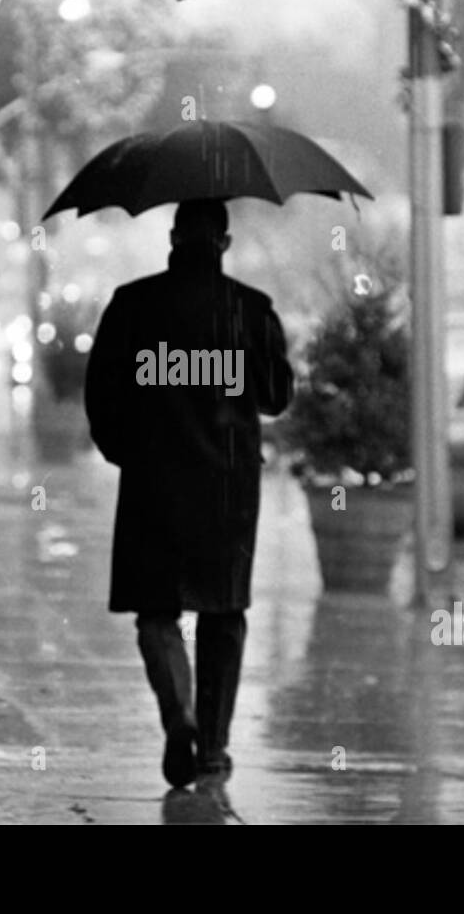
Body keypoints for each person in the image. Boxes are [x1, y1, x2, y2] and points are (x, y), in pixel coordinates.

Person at [84, 199, 294, 788]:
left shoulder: (133, 306)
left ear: (173, 237)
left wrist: (125, 450)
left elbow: (100, 394)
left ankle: (178, 716)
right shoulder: (250, 310)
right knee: (223, 615)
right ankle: (213, 747)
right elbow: (277, 397)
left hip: (153, 483)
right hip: (227, 491)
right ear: (223, 244)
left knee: (157, 610)